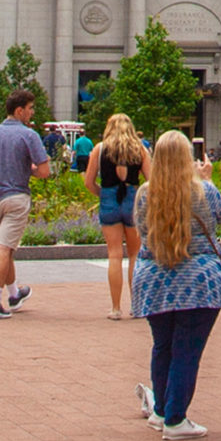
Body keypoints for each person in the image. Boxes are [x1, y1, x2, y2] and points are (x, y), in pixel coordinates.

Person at [131, 131, 221, 440]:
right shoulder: (203, 191)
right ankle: (176, 419)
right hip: (199, 281)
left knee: (163, 347)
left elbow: (141, 230)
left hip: (154, 280)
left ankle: (162, 412)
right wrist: (208, 179)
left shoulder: (145, 194)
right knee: (187, 350)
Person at [0, 90, 51, 319]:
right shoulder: (29, 136)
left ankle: (14, 293)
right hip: (16, 196)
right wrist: (28, 170)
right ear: (20, 111)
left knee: (2, 249)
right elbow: (44, 171)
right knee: (5, 249)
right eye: (30, 108)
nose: (32, 112)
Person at [84, 113, 152, 320]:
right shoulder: (140, 149)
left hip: (109, 198)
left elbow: (88, 182)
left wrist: (103, 194)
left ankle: (115, 308)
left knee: (114, 254)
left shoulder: (100, 149)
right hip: (132, 199)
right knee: (134, 255)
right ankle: (136, 305)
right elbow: (152, 180)